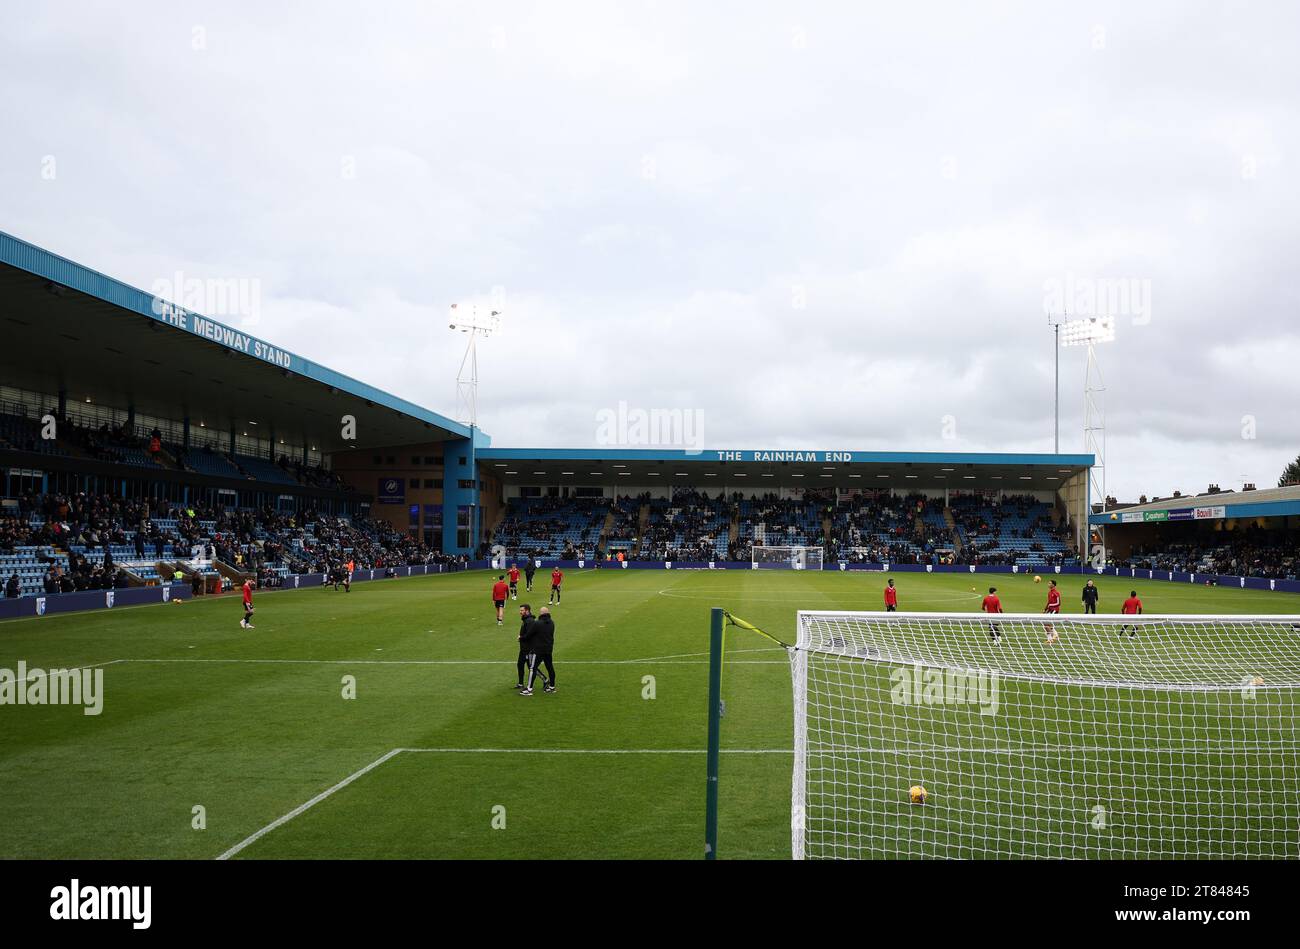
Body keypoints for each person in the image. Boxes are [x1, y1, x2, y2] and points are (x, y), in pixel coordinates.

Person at [520, 606, 557, 696]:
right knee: (550, 667)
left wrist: (521, 638)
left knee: (532, 668)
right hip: (548, 649)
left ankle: (529, 689)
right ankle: (552, 687)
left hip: (538, 650)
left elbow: (528, 635)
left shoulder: (537, 623)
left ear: (541, 613)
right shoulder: (552, 623)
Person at [514, 603, 535, 691]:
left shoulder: (529, 621)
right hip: (524, 648)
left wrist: (521, 637)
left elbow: (530, 635)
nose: (520, 612)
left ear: (527, 611)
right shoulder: (526, 620)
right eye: (520, 610)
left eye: (522, 610)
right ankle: (520, 683)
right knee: (520, 664)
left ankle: (545, 680)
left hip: (528, 648)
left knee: (531, 667)